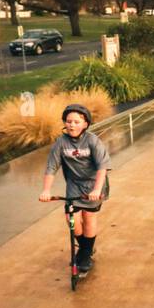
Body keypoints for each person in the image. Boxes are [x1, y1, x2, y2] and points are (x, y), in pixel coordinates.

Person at [38, 103, 110, 273]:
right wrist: (46, 190)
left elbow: (102, 168)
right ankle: (86, 248)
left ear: (85, 124)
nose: (72, 125)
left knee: (89, 217)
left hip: (94, 184)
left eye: (77, 122)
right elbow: (51, 167)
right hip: (74, 185)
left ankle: (84, 253)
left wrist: (97, 190)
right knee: (71, 218)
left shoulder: (92, 141)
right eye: (69, 121)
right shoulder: (61, 143)